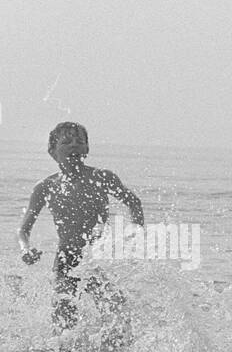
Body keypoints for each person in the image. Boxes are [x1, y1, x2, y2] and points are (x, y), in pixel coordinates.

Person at [17, 121, 144, 334]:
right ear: (52, 151)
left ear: (87, 149)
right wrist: (25, 249)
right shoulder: (46, 187)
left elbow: (133, 203)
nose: (74, 146)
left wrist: (135, 235)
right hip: (66, 258)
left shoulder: (102, 177)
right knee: (64, 323)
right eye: (66, 142)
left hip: (97, 256)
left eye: (79, 142)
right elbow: (23, 230)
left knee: (117, 313)